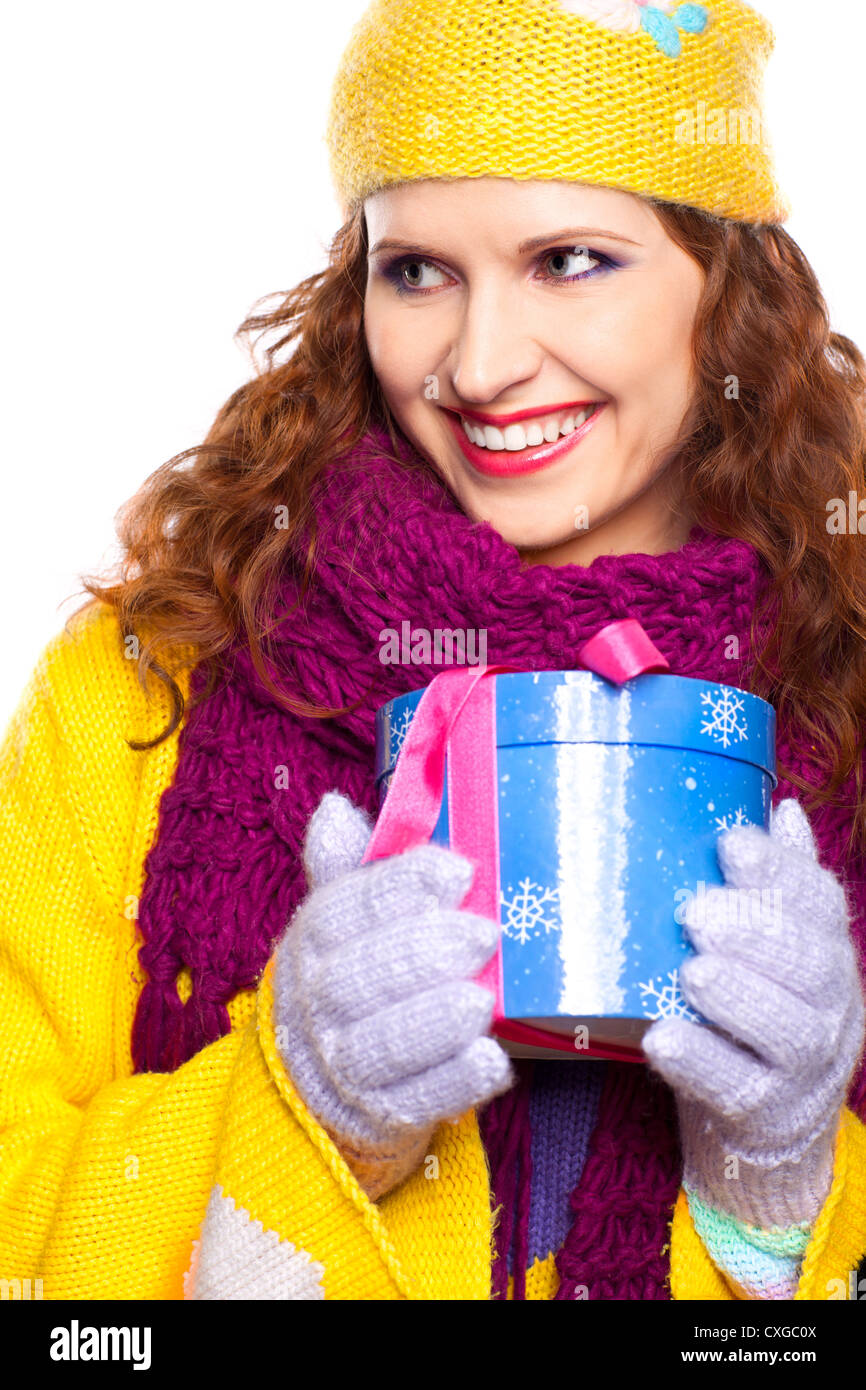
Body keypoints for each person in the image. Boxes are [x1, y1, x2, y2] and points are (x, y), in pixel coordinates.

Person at [1, 0, 866, 1302]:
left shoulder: (840, 682)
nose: (477, 362)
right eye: (416, 269)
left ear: (726, 286)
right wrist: (301, 1113)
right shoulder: (150, 675)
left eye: (570, 258)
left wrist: (774, 1195)